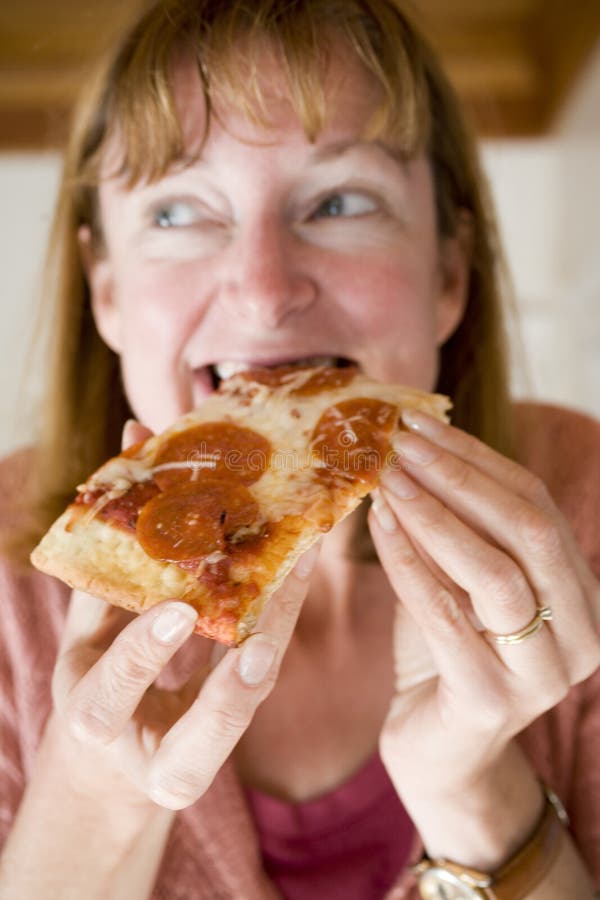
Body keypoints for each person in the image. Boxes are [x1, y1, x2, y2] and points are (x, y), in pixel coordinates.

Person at [1, 0, 599, 897]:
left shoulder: (584, 504)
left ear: (448, 271)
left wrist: (475, 790)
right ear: (108, 292)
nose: (264, 289)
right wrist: (94, 796)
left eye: (339, 201)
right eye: (178, 213)